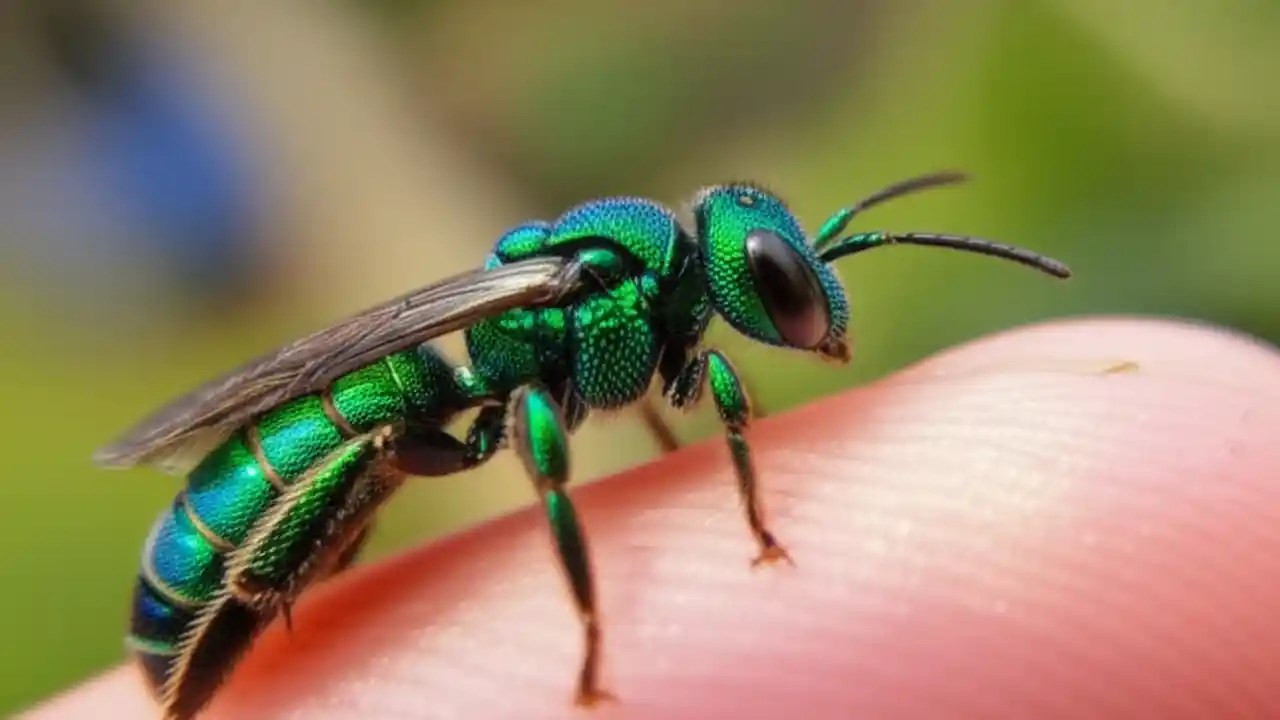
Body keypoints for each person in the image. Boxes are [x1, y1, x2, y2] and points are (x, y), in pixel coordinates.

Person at [28, 318, 1280, 719]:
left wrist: (698, 455)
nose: (805, 321)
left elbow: (699, 385)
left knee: (395, 440)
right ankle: (241, 605)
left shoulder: (648, 329)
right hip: (322, 451)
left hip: (406, 409)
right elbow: (608, 427)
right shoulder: (589, 308)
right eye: (788, 297)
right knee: (374, 436)